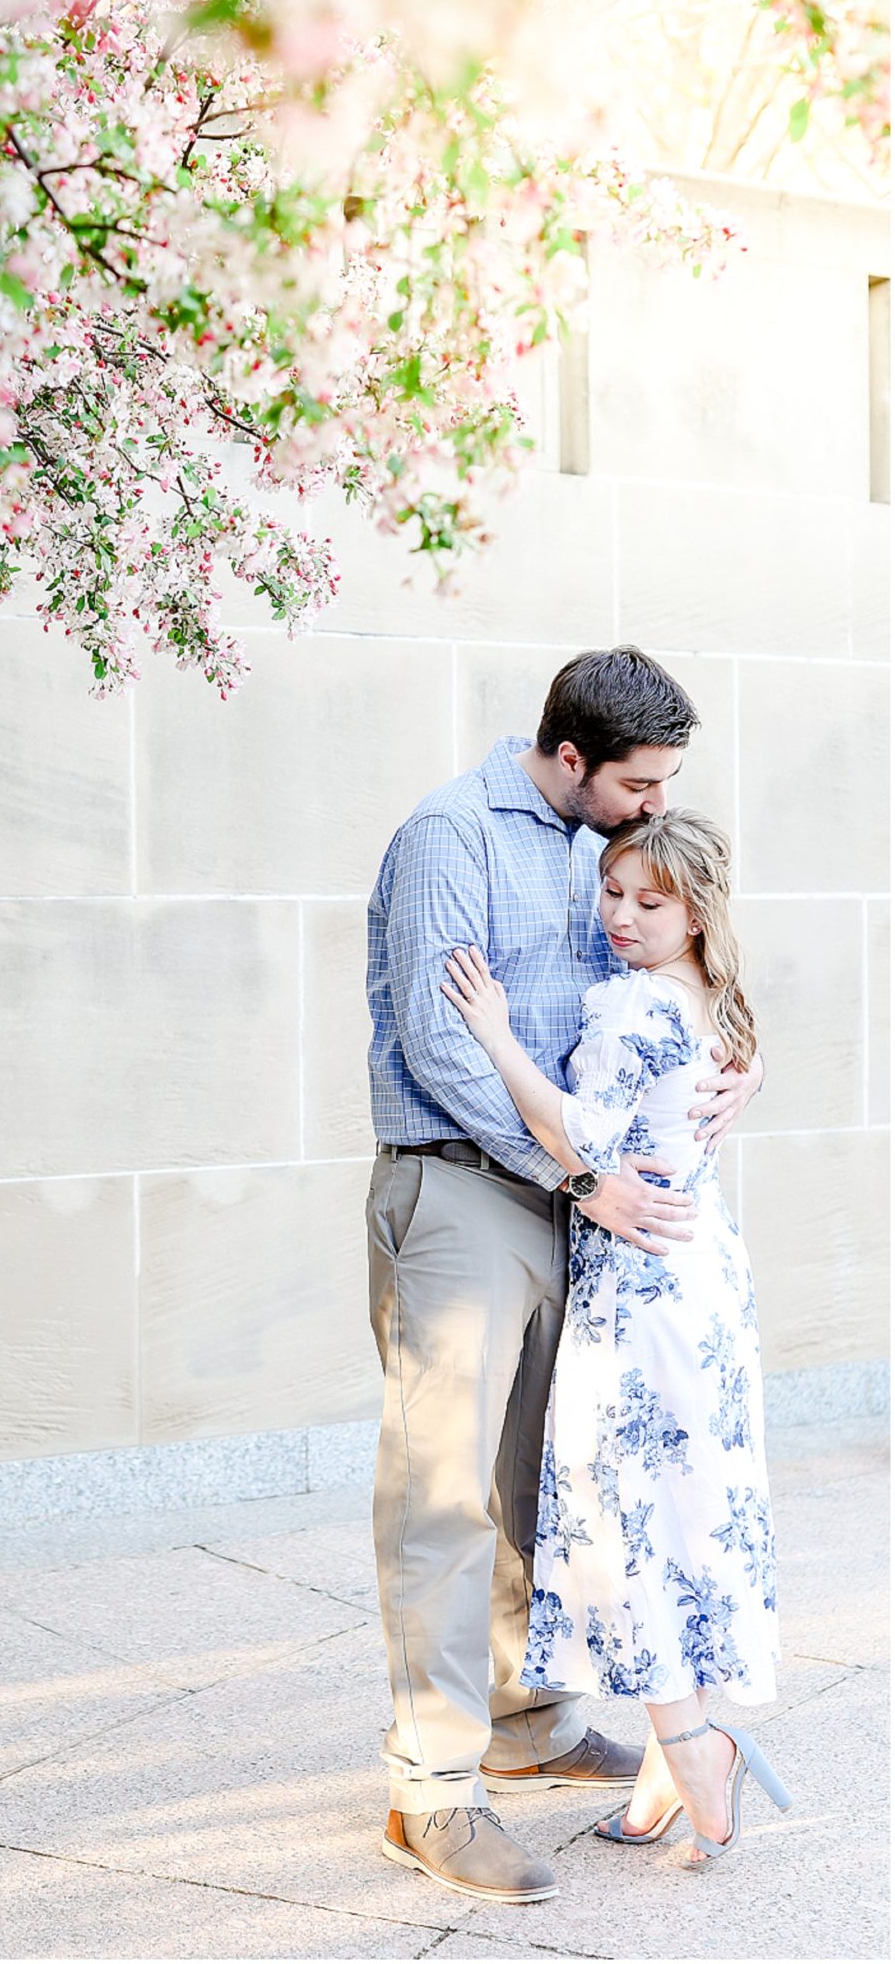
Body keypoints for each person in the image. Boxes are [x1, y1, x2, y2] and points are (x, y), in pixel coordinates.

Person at [366, 647, 764, 1906]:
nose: (654, 803)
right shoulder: (450, 836)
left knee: (547, 1474)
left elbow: (670, 974)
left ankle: (527, 1715)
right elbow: (442, 1036)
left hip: (579, 1203)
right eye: (639, 782)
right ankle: (431, 1791)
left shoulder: (605, 847)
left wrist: (735, 1067)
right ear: (573, 759)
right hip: (467, 1184)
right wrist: (584, 1172)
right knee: (443, 1491)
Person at [441, 809, 788, 1867]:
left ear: (696, 911)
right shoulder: (714, 997)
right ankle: (661, 1778)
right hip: (706, 1280)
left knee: (634, 1519)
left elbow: (578, 1134)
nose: (622, 916)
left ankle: (698, 1749)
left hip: (643, 1292)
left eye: (651, 900)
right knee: (694, 1514)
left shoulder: (635, 1005)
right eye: (614, 892)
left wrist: (495, 1029)